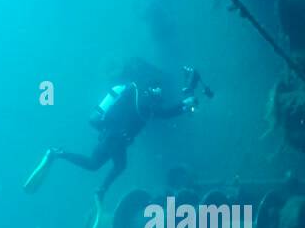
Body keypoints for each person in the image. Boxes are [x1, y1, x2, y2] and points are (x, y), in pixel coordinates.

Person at [23, 79, 197, 212]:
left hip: (108, 135)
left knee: (93, 164)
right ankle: (101, 190)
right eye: (159, 91)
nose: (160, 95)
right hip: (116, 138)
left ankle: (57, 153)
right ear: (153, 89)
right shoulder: (144, 101)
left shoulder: (133, 93)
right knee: (121, 165)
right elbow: (164, 113)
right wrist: (184, 104)